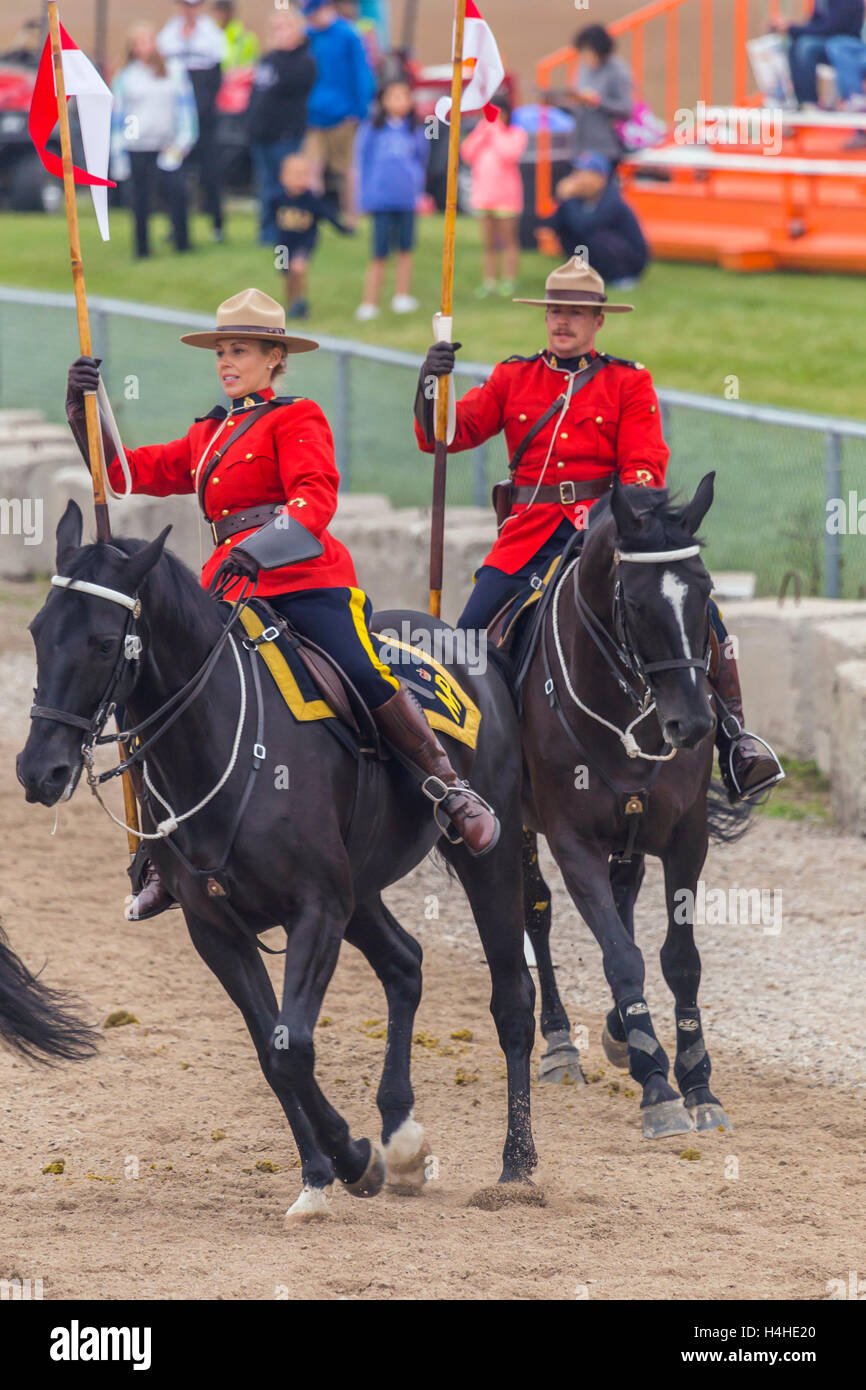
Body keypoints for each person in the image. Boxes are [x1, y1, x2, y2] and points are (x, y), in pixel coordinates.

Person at [64, 289, 499, 917]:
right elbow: (128, 473)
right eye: (221, 351)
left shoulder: (298, 417)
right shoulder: (210, 431)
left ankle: (450, 787)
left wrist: (264, 548)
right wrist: (87, 414)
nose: (225, 361)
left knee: (357, 665)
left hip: (303, 578)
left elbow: (315, 498)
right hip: (228, 587)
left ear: (274, 357)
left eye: (238, 350)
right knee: (156, 686)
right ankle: (163, 851)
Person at [412, 257, 784, 805]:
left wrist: (625, 516)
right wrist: (430, 382)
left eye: (577, 313)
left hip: (606, 534)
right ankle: (468, 759)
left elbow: (644, 464)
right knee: (466, 637)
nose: (564, 322)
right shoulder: (514, 377)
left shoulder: (626, 381)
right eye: (556, 312)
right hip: (529, 535)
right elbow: (445, 435)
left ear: (598, 321)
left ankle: (735, 740)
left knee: (699, 610)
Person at [110, 24, 198, 259]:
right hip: (138, 146)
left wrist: (183, 141)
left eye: (148, 41)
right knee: (140, 198)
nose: (145, 47)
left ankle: (183, 243)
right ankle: (142, 248)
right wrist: (119, 153)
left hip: (168, 144)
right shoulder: (125, 77)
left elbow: (186, 109)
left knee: (177, 192)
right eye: (139, 43)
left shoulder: (174, 71)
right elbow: (119, 116)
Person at [353, 77, 428, 320]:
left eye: (404, 96)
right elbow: (361, 163)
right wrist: (362, 198)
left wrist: (419, 191)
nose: (399, 101)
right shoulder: (371, 129)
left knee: (406, 249)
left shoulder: (415, 130)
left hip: (406, 200)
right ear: (383, 101)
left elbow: (421, 160)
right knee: (379, 252)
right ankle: (370, 301)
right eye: (393, 96)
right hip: (380, 200)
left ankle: (402, 295)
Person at [157, 0, 228, 243]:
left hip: (203, 113)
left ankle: (217, 224)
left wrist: (201, 113)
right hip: (177, 114)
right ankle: (175, 225)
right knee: (173, 170)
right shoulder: (168, 34)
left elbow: (217, 76)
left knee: (210, 172)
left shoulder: (212, 34)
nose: (189, 11)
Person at [248, 6, 316, 246]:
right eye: (276, 28)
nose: (280, 33)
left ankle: (289, 235)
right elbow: (258, 94)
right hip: (262, 134)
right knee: (265, 186)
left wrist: (284, 54)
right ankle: (266, 233)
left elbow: (288, 87)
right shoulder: (267, 59)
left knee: (286, 187)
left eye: (285, 27)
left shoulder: (304, 61)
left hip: (285, 135)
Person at [303, 0, 376, 222]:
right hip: (313, 115)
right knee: (312, 167)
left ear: (326, 9)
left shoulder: (349, 36)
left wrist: (360, 110)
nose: (312, 20)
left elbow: (362, 75)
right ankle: (314, 216)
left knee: (347, 169)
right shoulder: (308, 36)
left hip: (344, 115)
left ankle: (351, 218)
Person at [460, 98, 528, 299]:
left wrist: (495, 130)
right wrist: (483, 131)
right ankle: (489, 280)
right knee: (488, 243)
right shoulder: (483, 132)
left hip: (507, 198)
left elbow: (509, 154)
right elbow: (467, 153)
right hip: (484, 197)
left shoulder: (516, 134)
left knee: (508, 241)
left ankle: (509, 280)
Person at [273, 152, 354, 318]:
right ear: (283, 177)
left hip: (305, 242)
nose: (299, 179)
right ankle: (290, 304)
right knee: (287, 275)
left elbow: (329, 216)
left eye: (304, 174)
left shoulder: (312, 200)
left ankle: (302, 303)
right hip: (283, 246)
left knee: (299, 268)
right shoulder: (278, 199)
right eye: (295, 174)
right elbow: (269, 219)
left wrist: (344, 229)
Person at [551, 151, 648, 289]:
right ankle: (582, 274)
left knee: (598, 237)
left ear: (600, 177)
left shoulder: (612, 200)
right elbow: (555, 225)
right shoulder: (579, 199)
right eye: (575, 172)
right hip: (599, 254)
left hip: (630, 261)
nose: (576, 178)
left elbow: (584, 226)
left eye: (583, 173)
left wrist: (568, 199)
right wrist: (560, 202)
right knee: (567, 231)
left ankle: (622, 277)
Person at [769, 0, 865, 106]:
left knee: (806, 46)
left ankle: (810, 101)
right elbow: (814, 25)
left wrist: (791, 28)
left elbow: (832, 28)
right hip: (827, 40)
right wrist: (788, 28)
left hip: (846, 43)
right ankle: (801, 101)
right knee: (795, 45)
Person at [570, 23, 634, 163]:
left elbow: (626, 109)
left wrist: (597, 101)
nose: (585, 57)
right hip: (581, 143)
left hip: (606, 147)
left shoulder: (618, 71)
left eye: (588, 51)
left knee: (571, 186)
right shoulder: (583, 69)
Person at [212, 0, 260, 70]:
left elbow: (253, 67)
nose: (220, 15)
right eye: (218, 11)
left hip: (238, 79)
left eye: (223, 11)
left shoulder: (246, 38)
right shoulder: (208, 35)